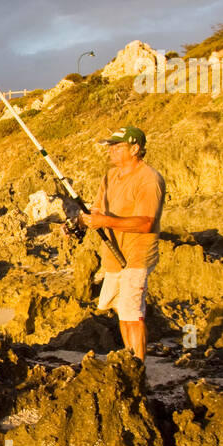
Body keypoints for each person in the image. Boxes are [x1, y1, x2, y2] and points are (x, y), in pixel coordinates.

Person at [72, 125, 165, 361]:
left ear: (135, 149)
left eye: (117, 146)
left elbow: (146, 223)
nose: (111, 150)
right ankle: (129, 357)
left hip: (137, 253)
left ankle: (139, 366)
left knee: (133, 313)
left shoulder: (149, 179)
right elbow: (97, 210)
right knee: (120, 311)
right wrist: (79, 223)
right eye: (110, 146)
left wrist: (106, 221)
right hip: (113, 253)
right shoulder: (110, 176)